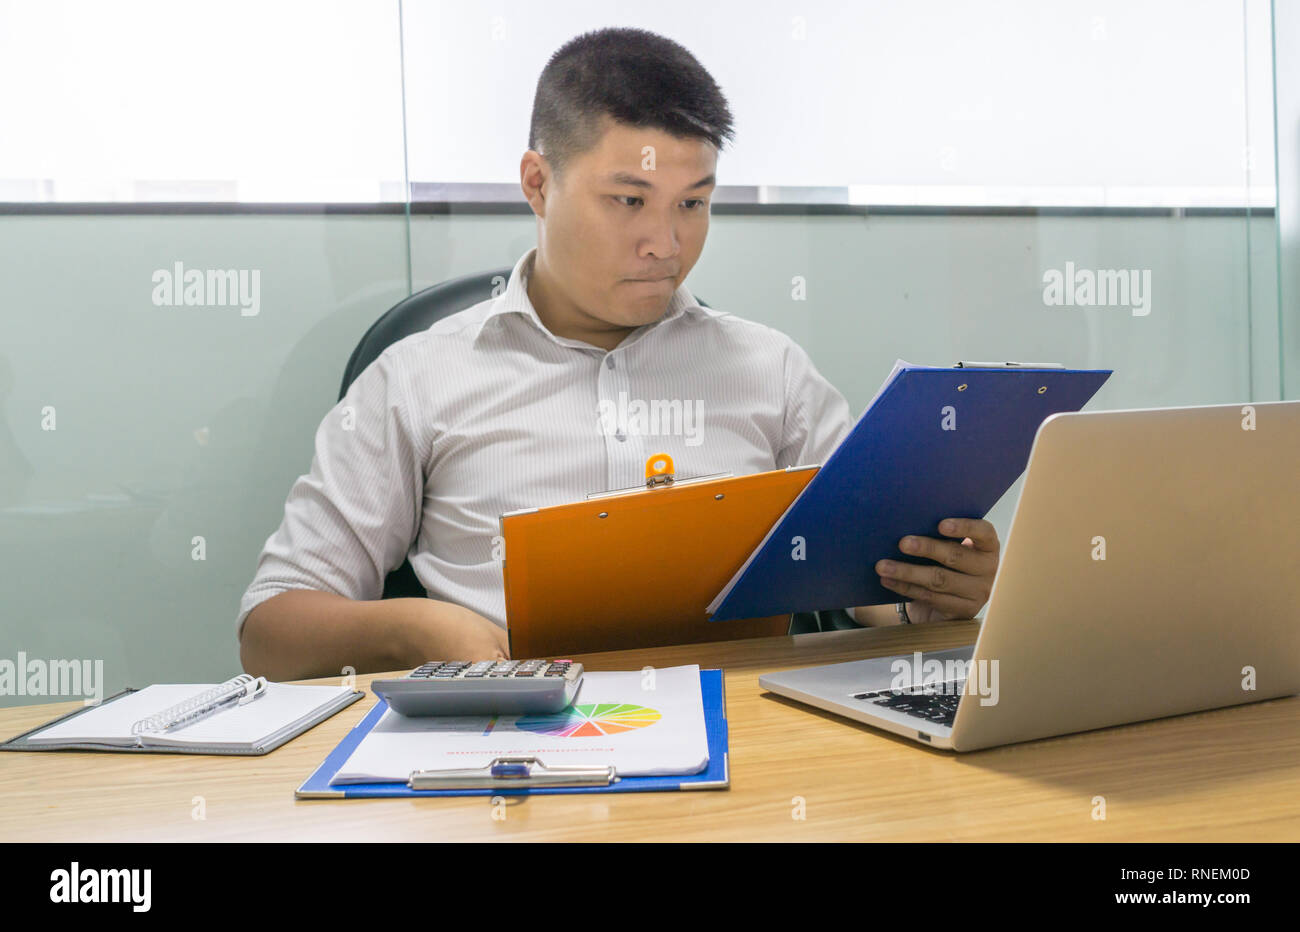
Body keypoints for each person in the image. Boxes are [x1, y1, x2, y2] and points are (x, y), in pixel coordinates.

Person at [237, 27, 998, 682]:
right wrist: (419, 632)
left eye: (692, 204)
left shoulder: (771, 373)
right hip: (509, 748)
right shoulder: (418, 378)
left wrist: (926, 592)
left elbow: (870, 591)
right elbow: (271, 632)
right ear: (538, 183)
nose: (666, 246)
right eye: (629, 201)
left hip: (751, 748)